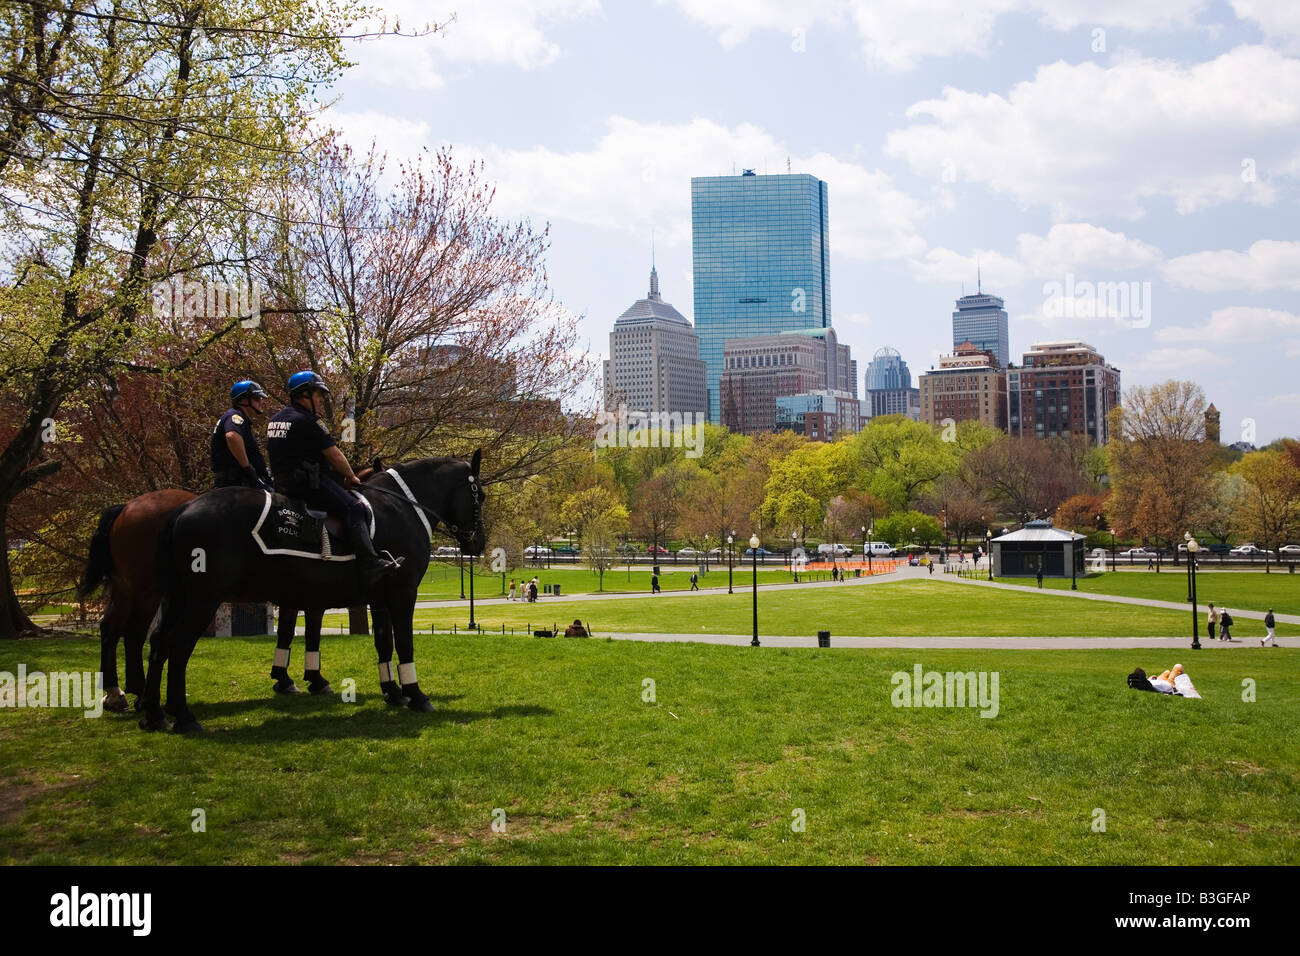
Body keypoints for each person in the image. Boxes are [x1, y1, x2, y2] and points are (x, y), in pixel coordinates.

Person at [266, 370, 399, 585]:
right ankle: (370, 562)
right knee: (355, 507)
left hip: (281, 484)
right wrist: (350, 477)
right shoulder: (310, 421)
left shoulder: (276, 419)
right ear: (304, 394)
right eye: (318, 395)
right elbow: (334, 455)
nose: (320, 400)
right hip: (308, 484)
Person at [211, 380, 272, 489]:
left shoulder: (240, 417)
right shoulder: (235, 416)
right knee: (280, 504)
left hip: (238, 481)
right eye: (256, 398)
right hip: (237, 483)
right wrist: (247, 468)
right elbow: (231, 436)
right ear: (244, 400)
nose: (261, 402)